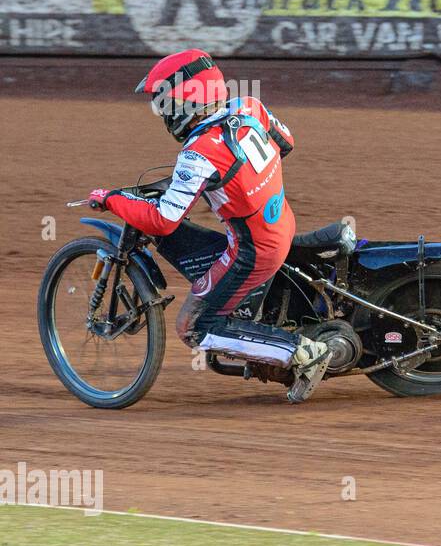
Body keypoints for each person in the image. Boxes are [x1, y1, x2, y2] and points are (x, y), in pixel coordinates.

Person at [87, 49, 331, 402]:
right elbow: (286, 142)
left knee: (194, 327)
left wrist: (110, 199)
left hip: (253, 251)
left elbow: (163, 220)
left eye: (165, 103)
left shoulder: (198, 153)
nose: (163, 113)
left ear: (186, 100)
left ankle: (303, 352)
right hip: (280, 222)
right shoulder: (249, 107)